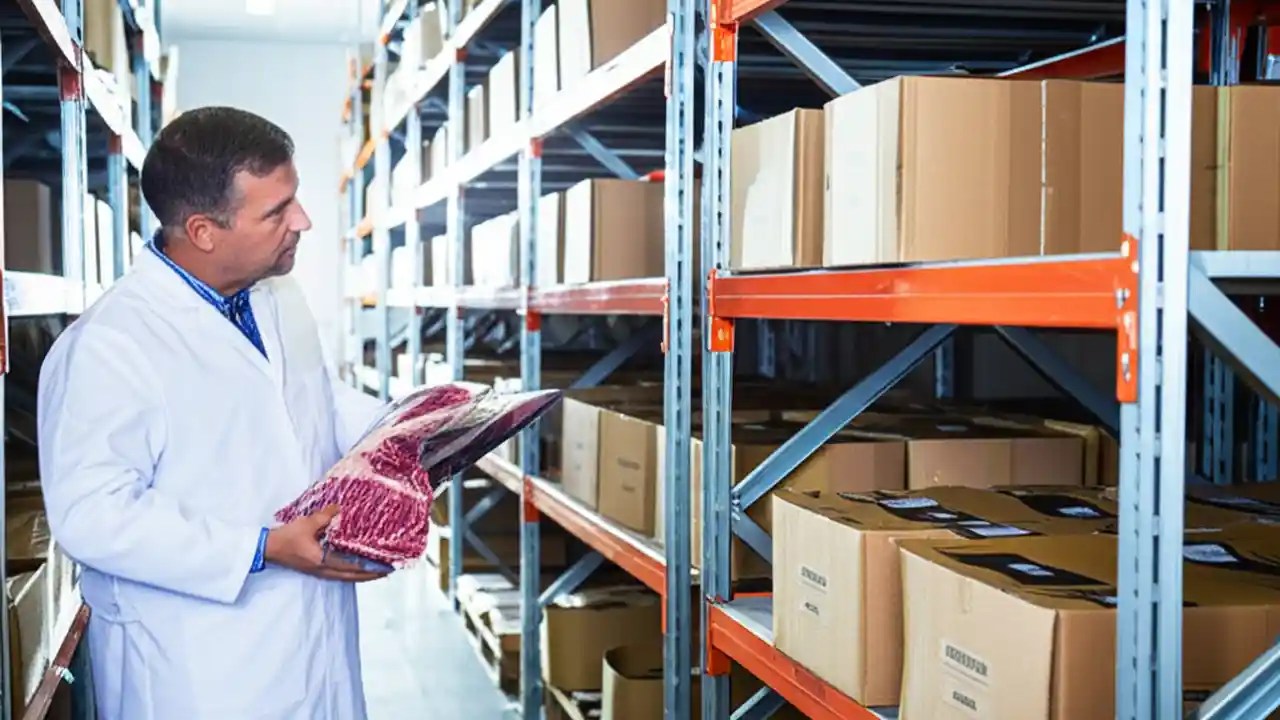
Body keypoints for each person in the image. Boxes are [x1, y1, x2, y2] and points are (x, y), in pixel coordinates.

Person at [37, 106, 389, 719]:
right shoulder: (109, 346)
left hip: (315, 640)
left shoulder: (278, 292)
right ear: (203, 230)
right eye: (277, 211)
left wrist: (411, 430)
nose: (302, 221)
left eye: (294, 199)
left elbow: (315, 401)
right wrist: (259, 547)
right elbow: (92, 514)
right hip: (201, 669)